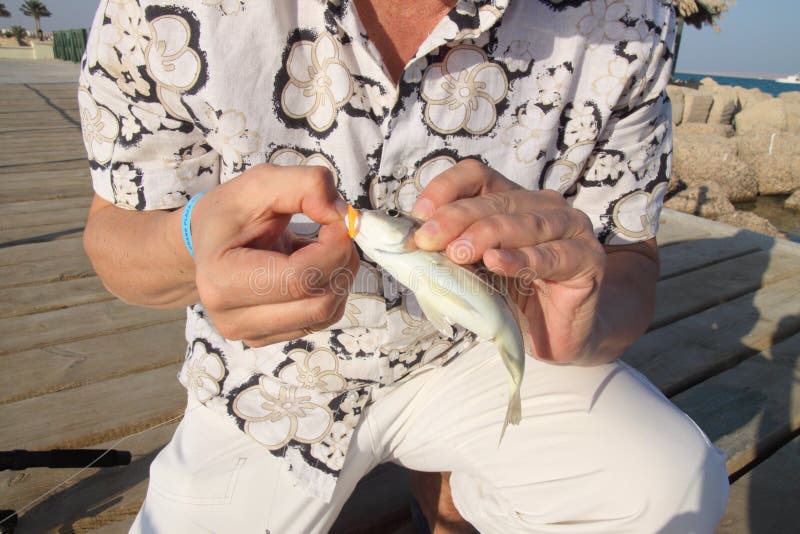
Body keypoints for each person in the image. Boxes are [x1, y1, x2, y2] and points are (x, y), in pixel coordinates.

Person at [79, 0, 730, 532]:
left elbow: (630, 259)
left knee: (666, 487)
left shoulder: (632, 17)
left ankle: (449, 486)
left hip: (471, 352)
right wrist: (189, 240)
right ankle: (439, 487)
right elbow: (116, 240)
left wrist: (583, 319)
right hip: (265, 378)